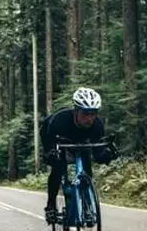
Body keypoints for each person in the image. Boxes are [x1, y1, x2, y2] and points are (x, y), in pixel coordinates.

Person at [39, 87, 118, 222]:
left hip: (81, 142)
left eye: (93, 113)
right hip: (57, 136)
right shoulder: (59, 120)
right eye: (85, 113)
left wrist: (108, 155)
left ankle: (87, 205)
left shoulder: (97, 125)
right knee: (58, 167)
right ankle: (51, 206)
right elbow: (50, 146)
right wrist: (49, 154)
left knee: (87, 167)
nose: (89, 118)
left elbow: (98, 154)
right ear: (76, 111)